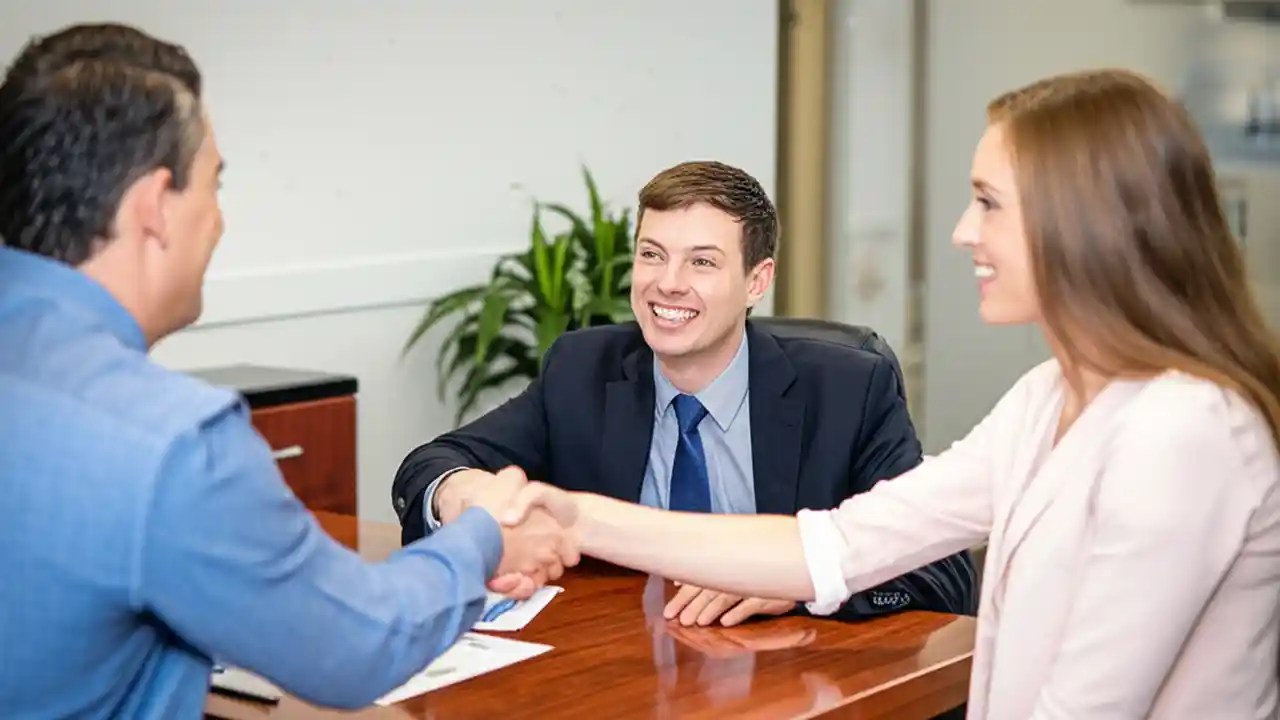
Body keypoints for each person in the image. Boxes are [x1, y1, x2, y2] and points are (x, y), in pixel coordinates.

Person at [495, 69, 1280, 719]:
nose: (962, 232)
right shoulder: (1050, 395)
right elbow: (838, 544)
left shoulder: (1185, 433)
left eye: (989, 202)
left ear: (1085, 221)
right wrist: (577, 515)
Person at [0, 23, 574, 718]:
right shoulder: (167, 440)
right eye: (214, 185)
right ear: (155, 206)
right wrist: (485, 537)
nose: (218, 221)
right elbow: (359, 644)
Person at [393, 160, 976, 626]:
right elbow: (429, 467)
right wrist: (463, 492)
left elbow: (943, 573)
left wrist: (799, 587)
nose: (666, 283)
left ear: (757, 281)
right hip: (627, 671)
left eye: (701, 262)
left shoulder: (848, 391)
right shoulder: (583, 370)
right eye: (652, 254)